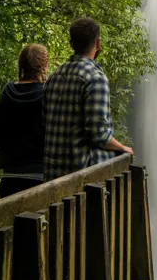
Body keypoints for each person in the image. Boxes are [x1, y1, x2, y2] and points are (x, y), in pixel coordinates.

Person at [43, 17, 133, 181]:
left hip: (53, 178)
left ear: (71, 44)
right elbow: (98, 134)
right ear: (98, 43)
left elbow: (45, 121)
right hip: (81, 182)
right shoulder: (95, 78)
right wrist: (123, 148)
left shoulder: (53, 76)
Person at [0, 43, 48, 197]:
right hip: (41, 177)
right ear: (44, 65)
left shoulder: (7, 91)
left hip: (10, 177)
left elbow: (0, 137)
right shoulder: (47, 94)